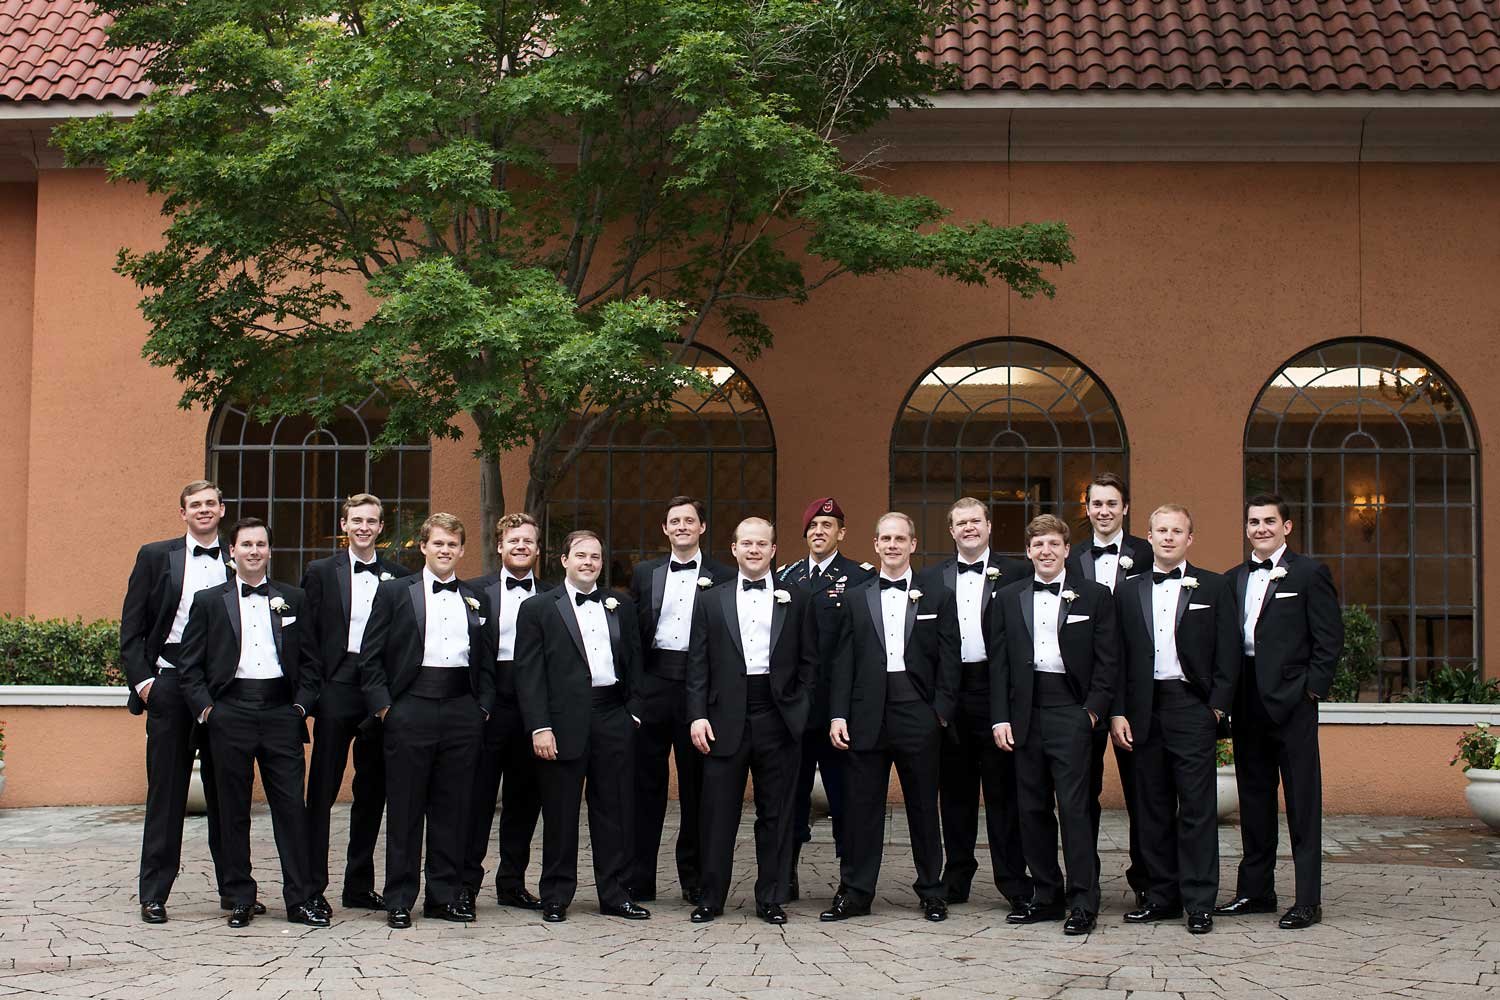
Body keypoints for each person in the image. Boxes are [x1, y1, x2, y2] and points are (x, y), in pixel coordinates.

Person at [177, 517, 328, 928]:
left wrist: (299, 707)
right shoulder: (209, 601)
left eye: (261, 544)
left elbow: (312, 663)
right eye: (246, 544)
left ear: (270, 551)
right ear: (233, 552)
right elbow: (188, 666)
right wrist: (209, 710)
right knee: (232, 810)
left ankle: (300, 899)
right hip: (231, 712)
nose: (254, 551)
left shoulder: (292, 599)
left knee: (291, 810)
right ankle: (239, 896)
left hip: (281, 712)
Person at [360, 513, 496, 928]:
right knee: (405, 807)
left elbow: (486, 661)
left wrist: (482, 707)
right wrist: (386, 708)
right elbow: (371, 657)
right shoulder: (395, 593)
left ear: (461, 550)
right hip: (410, 706)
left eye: (452, 545)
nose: (445, 551)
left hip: (460, 709)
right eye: (438, 543)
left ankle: (444, 895)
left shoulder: (476, 597)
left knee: (453, 809)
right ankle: (399, 897)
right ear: (423, 547)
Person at [1215, 493, 1343, 930]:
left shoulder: (1310, 574)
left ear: (1286, 527)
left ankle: (1308, 899)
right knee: (1253, 800)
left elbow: (1329, 639)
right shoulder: (1232, 578)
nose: (1261, 528)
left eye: (1270, 521)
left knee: (1303, 803)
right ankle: (1256, 891)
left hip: (1293, 703)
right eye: (1254, 522)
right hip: (1246, 700)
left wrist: (1310, 692)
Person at [823, 512, 958, 923]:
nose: (893, 545)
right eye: (886, 538)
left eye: (901, 538)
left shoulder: (937, 594)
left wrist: (941, 711)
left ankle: (932, 891)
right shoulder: (857, 595)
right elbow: (842, 660)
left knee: (922, 806)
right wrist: (838, 715)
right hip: (867, 714)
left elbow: (949, 657)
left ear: (913, 544)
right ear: (876, 544)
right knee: (862, 808)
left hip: (918, 713)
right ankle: (856, 892)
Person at [1110, 504, 1239, 934]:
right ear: (1148, 536)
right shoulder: (1127, 591)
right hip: (1144, 708)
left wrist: (1217, 708)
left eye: (1177, 531)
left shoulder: (1215, 587)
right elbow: (1118, 658)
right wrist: (1119, 711)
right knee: (1152, 807)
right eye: (1161, 530)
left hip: (1191, 706)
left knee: (1198, 808)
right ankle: (1162, 896)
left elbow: (1228, 652)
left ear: (1190, 538)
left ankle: (1199, 900)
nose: (1168, 537)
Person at [991, 514, 1118, 936]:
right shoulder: (1008, 597)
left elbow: (1107, 660)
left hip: (1072, 711)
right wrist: (1001, 717)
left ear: (1067, 550)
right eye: (1038, 544)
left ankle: (1083, 901)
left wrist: (1093, 712)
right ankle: (1046, 895)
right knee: (1031, 809)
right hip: (1025, 714)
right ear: (1028, 552)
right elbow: (1000, 666)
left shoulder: (1095, 596)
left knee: (1075, 809)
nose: (1046, 551)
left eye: (1053, 544)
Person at [686, 517, 816, 924]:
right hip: (724, 718)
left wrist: (801, 707)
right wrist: (697, 716)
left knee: (776, 813)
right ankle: (711, 897)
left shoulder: (797, 598)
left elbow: (811, 662)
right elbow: (697, 665)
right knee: (717, 813)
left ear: (774, 550)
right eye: (747, 543)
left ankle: (771, 897)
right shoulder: (710, 600)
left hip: (778, 717)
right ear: (734, 549)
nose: (754, 550)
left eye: (762, 544)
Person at [515, 530, 650, 923]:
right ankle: (556, 894)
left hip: (613, 716)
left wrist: (634, 713)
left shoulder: (620, 605)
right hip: (561, 721)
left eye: (595, 556)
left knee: (615, 812)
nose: (589, 562)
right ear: (564, 560)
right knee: (560, 813)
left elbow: (636, 664)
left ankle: (615, 893)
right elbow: (529, 674)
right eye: (581, 555)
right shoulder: (538, 608)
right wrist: (540, 726)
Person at [120, 479, 235, 923]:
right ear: (183, 513)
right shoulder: (155, 557)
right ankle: (154, 894)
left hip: (222, 692)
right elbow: (132, 627)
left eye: (211, 503)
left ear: (222, 510)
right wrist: (145, 683)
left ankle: (234, 890)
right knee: (165, 793)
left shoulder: (237, 557)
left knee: (226, 792)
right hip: (168, 684)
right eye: (195, 505)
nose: (204, 510)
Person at [915, 497, 1031, 912]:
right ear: (950, 530)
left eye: (975, 521)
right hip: (948, 690)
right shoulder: (930, 578)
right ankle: (957, 875)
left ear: (989, 526)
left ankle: (1014, 881)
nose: (968, 528)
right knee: (955, 790)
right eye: (960, 522)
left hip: (996, 689)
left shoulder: (1019, 571)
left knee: (1004, 791)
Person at [301, 493, 410, 915]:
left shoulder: (399, 576)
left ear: (381, 528)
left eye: (372, 521)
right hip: (337, 686)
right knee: (322, 789)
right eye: (356, 520)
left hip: (378, 691)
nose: (364, 527)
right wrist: (316, 691)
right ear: (344, 525)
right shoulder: (320, 572)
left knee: (372, 791)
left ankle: (359, 885)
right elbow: (308, 636)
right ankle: (312, 885)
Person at [627, 497, 734, 904]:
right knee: (645, 786)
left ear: (702, 527)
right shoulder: (644, 573)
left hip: (699, 688)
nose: (683, 526)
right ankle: (640, 878)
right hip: (655, 684)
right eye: (675, 521)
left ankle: (694, 878)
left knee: (696, 788)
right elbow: (636, 637)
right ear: (665, 529)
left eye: (690, 520)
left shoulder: (723, 574)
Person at [775, 497, 874, 898]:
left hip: (839, 711)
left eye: (827, 525)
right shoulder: (786, 577)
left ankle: (849, 881)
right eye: (813, 525)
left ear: (841, 533)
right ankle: (786, 876)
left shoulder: (860, 577)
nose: (819, 531)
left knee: (845, 799)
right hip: (795, 710)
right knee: (790, 797)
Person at [1065, 472, 1154, 908]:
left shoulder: (1147, 552)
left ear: (1125, 509)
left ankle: (1147, 881)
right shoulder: (1072, 555)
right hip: (1087, 695)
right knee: (1083, 795)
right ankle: (1086, 885)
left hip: (1137, 692)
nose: (1103, 511)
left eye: (1111, 504)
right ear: (1087, 508)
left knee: (1144, 793)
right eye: (1096, 503)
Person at [462, 512, 550, 911]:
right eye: (513, 540)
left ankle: (512, 883)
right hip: (488, 704)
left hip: (534, 709)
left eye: (528, 541)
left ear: (537, 549)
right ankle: (465, 884)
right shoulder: (473, 592)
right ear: (500, 546)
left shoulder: (552, 597)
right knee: (476, 799)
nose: (521, 547)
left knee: (524, 800)